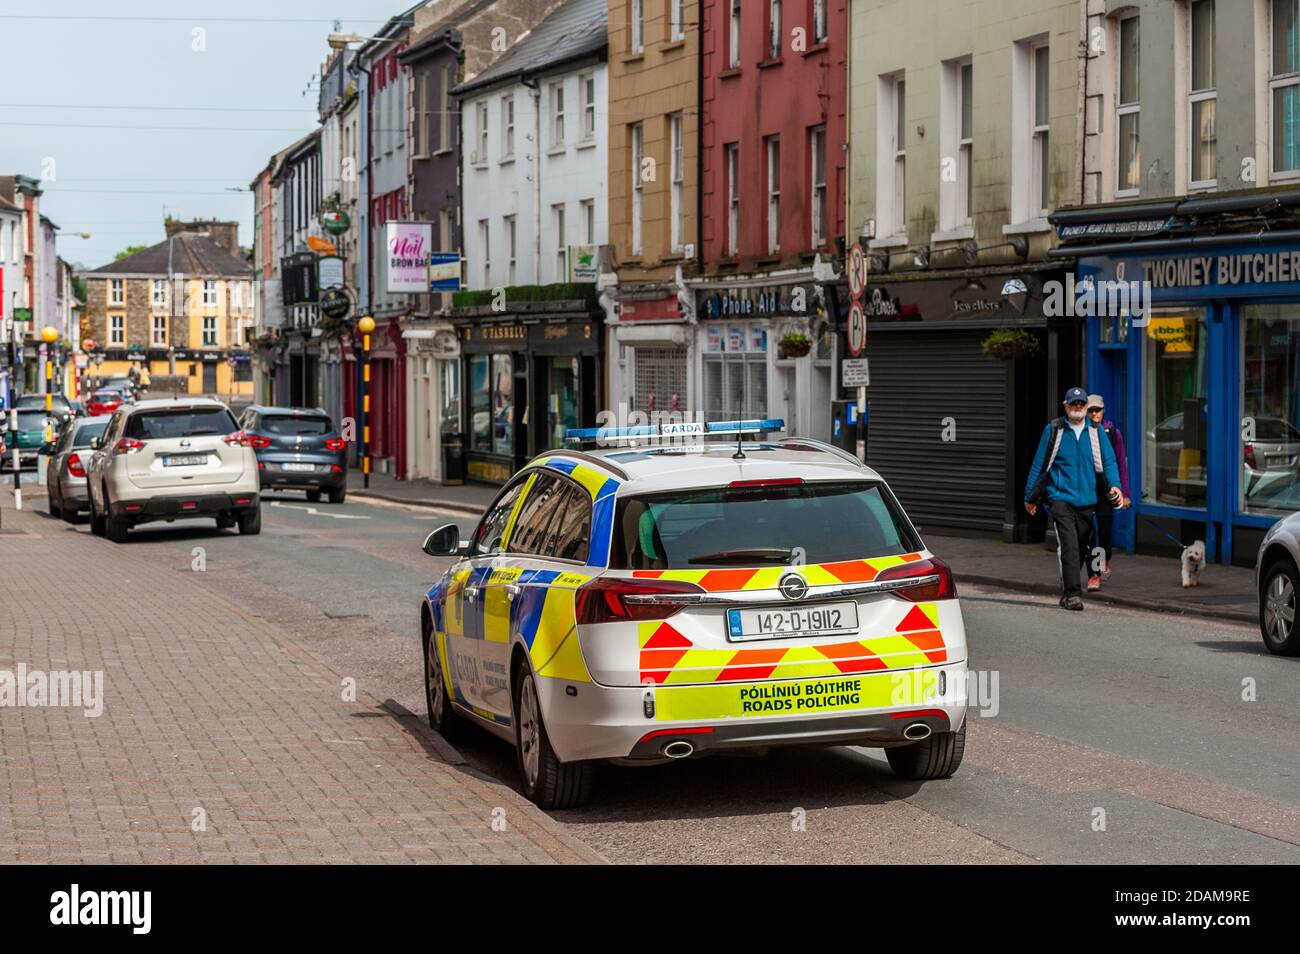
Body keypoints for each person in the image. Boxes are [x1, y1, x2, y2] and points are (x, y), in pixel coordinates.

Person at [1023, 387, 1124, 611]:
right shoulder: (1054, 430)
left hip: (1087, 500)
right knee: (1069, 545)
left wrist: (1116, 486)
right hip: (1060, 499)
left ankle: (1066, 588)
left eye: (1081, 404)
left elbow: (1109, 462)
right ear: (1065, 405)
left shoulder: (1096, 432)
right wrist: (1030, 497)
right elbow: (1039, 464)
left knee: (1080, 546)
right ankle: (1073, 595)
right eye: (1073, 404)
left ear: (1086, 407)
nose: (1077, 408)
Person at [1086, 394, 1130, 592]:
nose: (1094, 413)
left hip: (1108, 490)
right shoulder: (1080, 432)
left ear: (1104, 411)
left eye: (1098, 410)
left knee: (1104, 532)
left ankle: (1106, 559)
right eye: (1091, 410)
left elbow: (1121, 463)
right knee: (1091, 535)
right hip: (1087, 490)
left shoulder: (1114, 433)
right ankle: (1094, 575)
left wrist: (1124, 493)